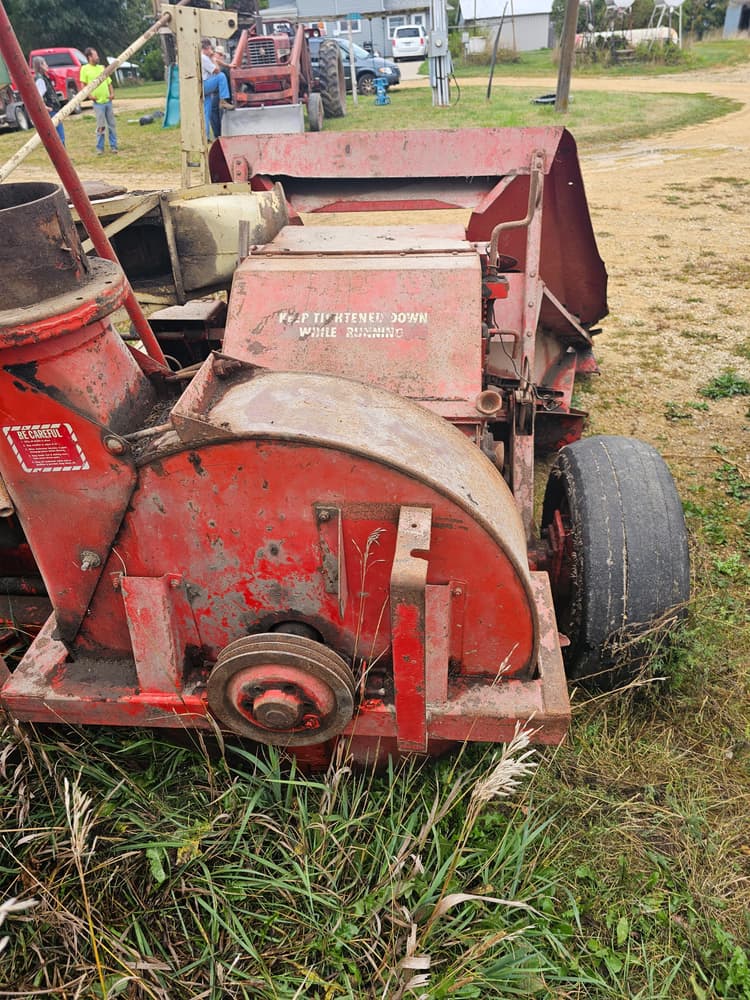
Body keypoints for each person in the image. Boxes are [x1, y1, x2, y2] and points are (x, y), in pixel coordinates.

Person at [79, 47, 118, 154]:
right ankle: (100, 148)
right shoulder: (85, 69)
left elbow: (109, 83)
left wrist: (112, 93)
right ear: (90, 57)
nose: (97, 57)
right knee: (101, 125)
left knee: (112, 124)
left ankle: (114, 146)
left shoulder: (101, 68)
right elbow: (83, 84)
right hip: (98, 103)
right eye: (95, 55)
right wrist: (89, 96)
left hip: (107, 101)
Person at [201, 38, 232, 139]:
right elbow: (217, 70)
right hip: (206, 85)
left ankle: (206, 137)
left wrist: (227, 65)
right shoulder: (204, 58)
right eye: (210, 49)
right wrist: (213, 59)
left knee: (207, 112)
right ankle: (223, 100)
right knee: (221, 76)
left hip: (202, 87)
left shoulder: (201, 57)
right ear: (207, 48)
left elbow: (218, 61)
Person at [33, 57, 64, 145]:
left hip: (53, 109)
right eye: (44, 63)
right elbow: (38, 97)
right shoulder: (40, 79)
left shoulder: (43, 78)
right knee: (59, 136)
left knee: (59, 136)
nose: (47, 65)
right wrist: (46, 107)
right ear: (40, 66)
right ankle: (63, 158)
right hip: (51, 111)